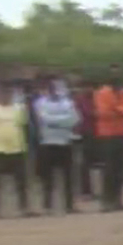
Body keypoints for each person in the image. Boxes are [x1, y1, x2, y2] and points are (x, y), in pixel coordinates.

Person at [0, 82, 30, 218]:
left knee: (21, 179)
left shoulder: (19, 108)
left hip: (17, 148)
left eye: (8, 93)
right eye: (2, 93)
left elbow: (24, 126)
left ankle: (23, 208)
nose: (5, 96)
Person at [34, 76, 80, 214]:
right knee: (48, 177)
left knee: (68, 176)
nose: (55, 91)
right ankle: (47, 206)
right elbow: (43, 119)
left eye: (57, 88)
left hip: (65, 142)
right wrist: (62, 121)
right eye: (52, 88)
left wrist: (55, 122)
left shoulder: (68, 103)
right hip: (47, 142)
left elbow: (74, 119)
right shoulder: (40, 102)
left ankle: (69, 205)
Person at [94, 64, 123, 212]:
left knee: (121, 169)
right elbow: (104, 113)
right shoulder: (102, 93)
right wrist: (121, 110)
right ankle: (107, 201)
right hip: (107, 135)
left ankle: (117, 200)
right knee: (109, 169)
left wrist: (117, 109)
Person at [73, 79, 98, 199]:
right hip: (84, 133)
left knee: (97, 164)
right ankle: (86, 191)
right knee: (85, 163)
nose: (90, 90)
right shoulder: (80, 100)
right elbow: (88, 113)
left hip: (97, 132)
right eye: (88, 87)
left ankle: (96, 190)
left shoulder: (97, 99)